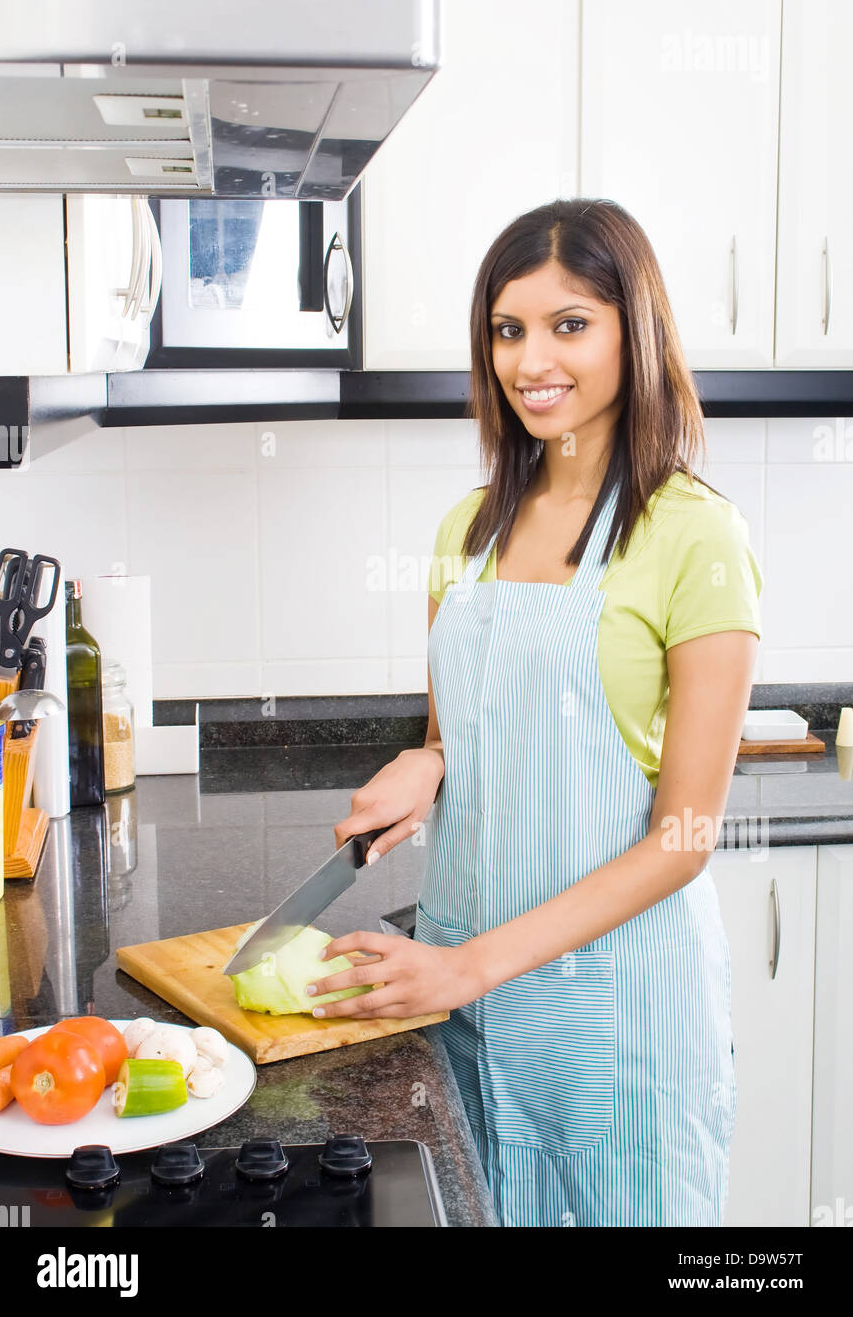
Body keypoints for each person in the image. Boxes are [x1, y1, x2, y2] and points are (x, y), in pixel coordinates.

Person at [306, 197, 763, 1228]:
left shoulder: (696, 537)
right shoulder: (465, 528)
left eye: (569, 324)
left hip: (616, 1012)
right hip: (469, 1002)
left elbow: (683, 837)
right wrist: (423, 768)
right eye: (507, 329)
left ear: (630, 332)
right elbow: (453, 731)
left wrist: (463, 966)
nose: (530, 359)